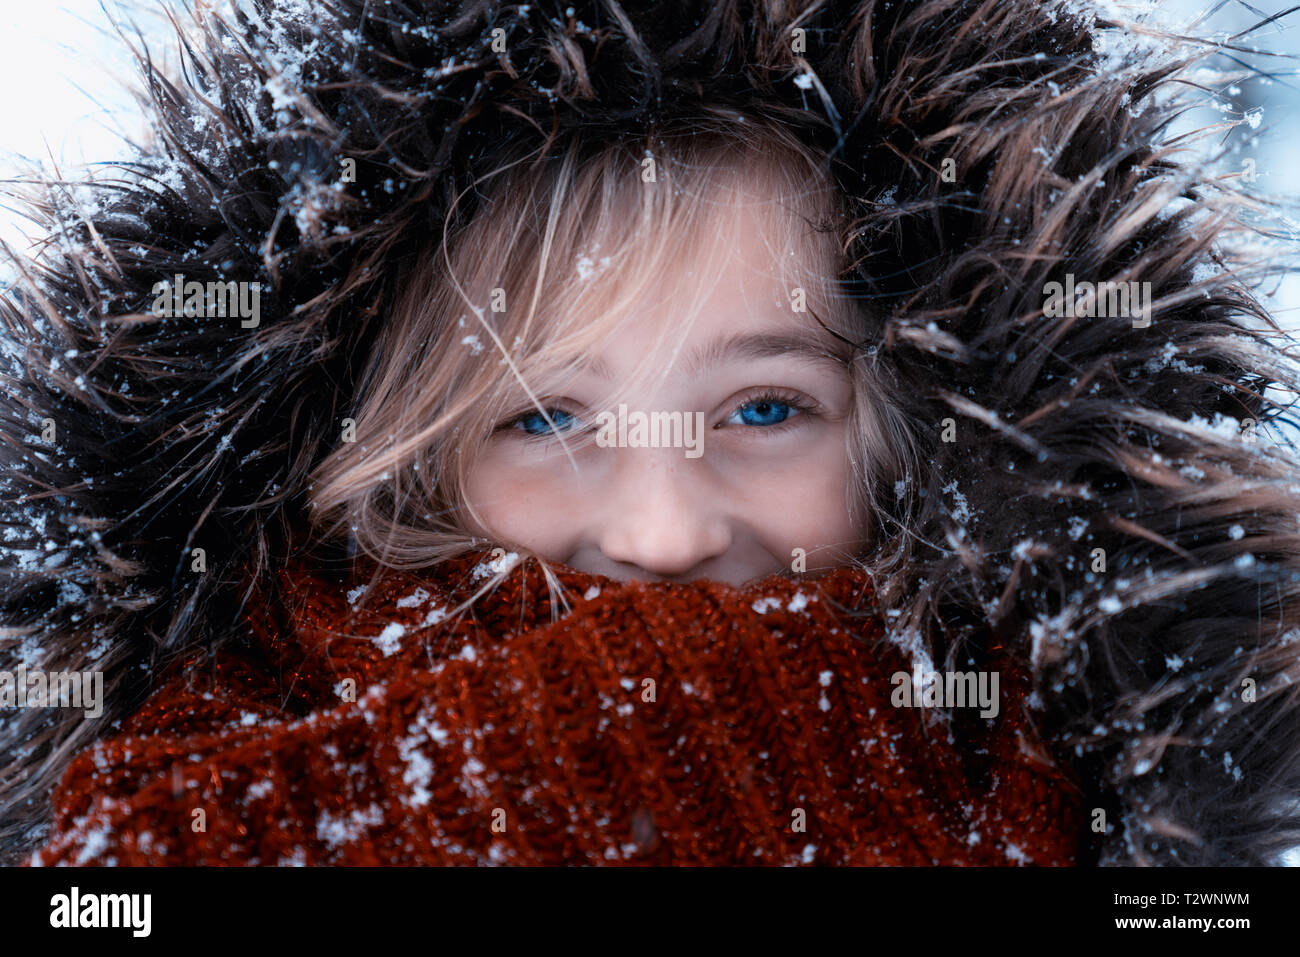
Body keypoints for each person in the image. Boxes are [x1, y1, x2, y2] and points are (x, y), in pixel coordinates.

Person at [2, 0, 1298, 866]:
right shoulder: (160, 827)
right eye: (548, 414)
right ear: (394, 453)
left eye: (766, 408)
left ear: (920, 440)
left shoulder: (1084, 807)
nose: (663, 530)